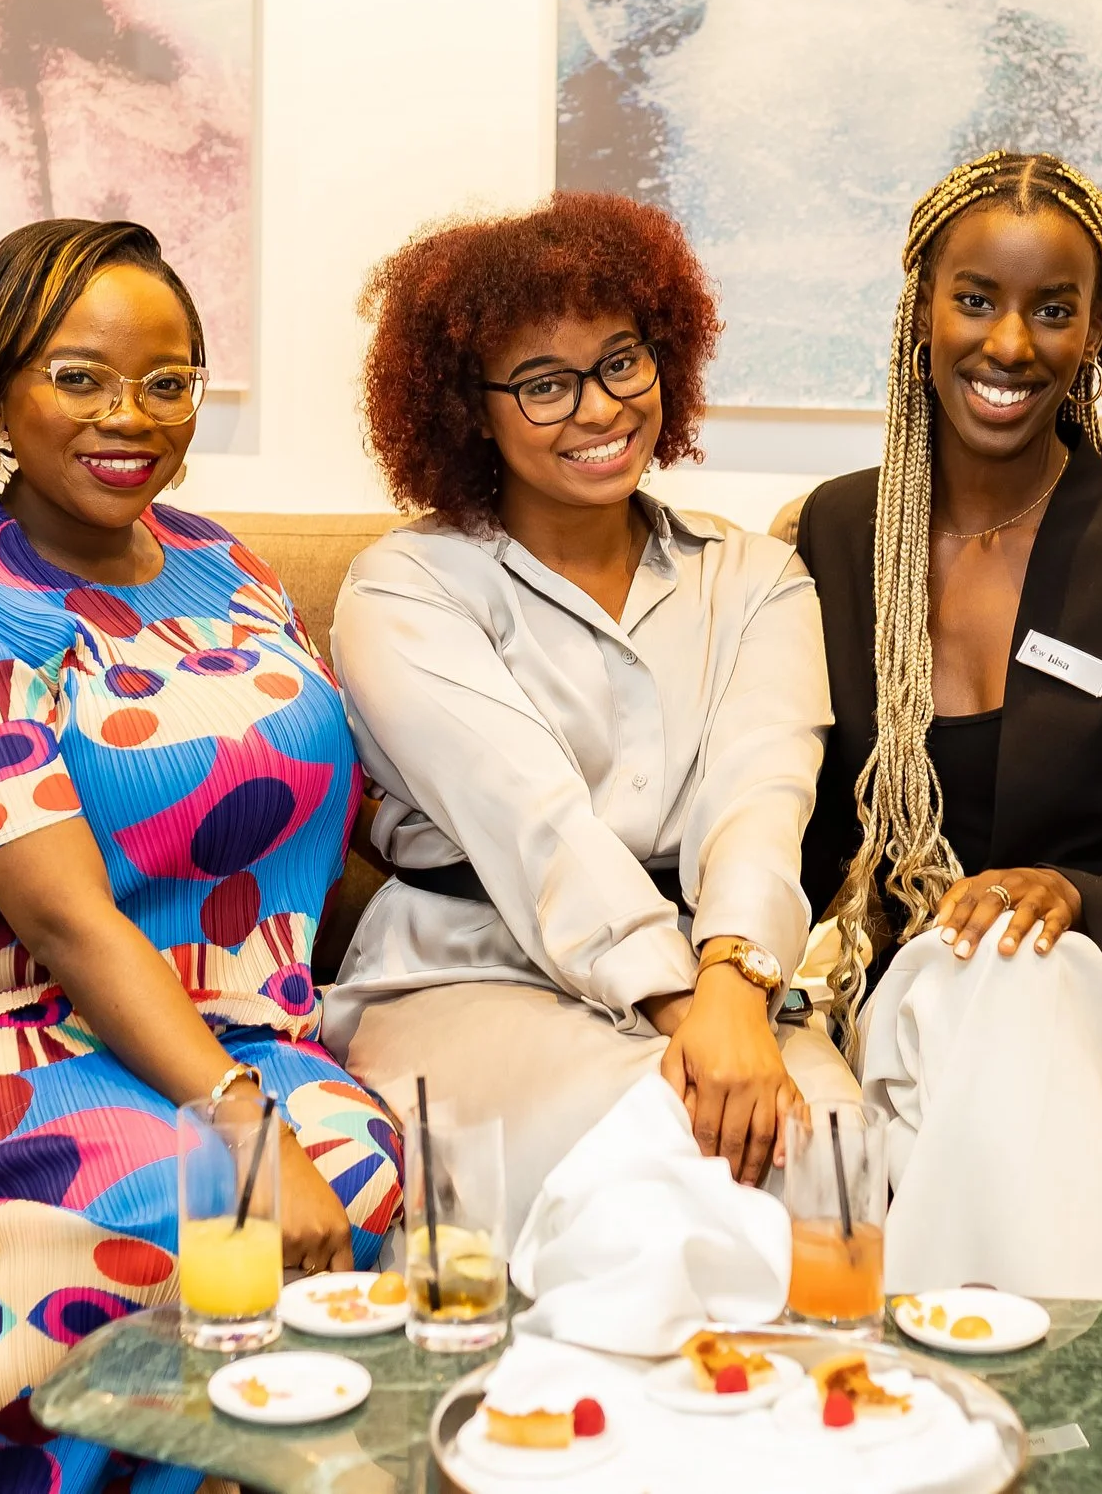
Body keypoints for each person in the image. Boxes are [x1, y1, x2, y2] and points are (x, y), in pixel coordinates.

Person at [0, 218, 402, 1494]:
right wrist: (249, 1124)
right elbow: (71, 929)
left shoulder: (221, 562)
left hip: (234, 1028)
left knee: (367, 1171)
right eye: (79, 375)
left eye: (167, 378)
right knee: (206, 1198)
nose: (130, 413)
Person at [325, 191, 858, 1233]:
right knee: (671, 1132)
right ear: (467, 407)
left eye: (621, 360)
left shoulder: (757, 578)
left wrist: (735, 995)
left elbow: (763, 796)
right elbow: (536, 828)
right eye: (543, 383)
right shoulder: (404, 589)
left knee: (828, 1149)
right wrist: (691, 1018)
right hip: (467, 972)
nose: (600, 407)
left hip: (725, 972)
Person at [793, 151, 1102, 1289]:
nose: (1010, 344)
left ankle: (904, 1423)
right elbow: (800, 832)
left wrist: (1075, 899)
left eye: (1051, 310)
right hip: (883, 1014)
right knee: (970, 1052)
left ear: (1096, 328)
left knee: (1010, 980)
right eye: (975, 300)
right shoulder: (834, 533)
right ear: (921, 309)